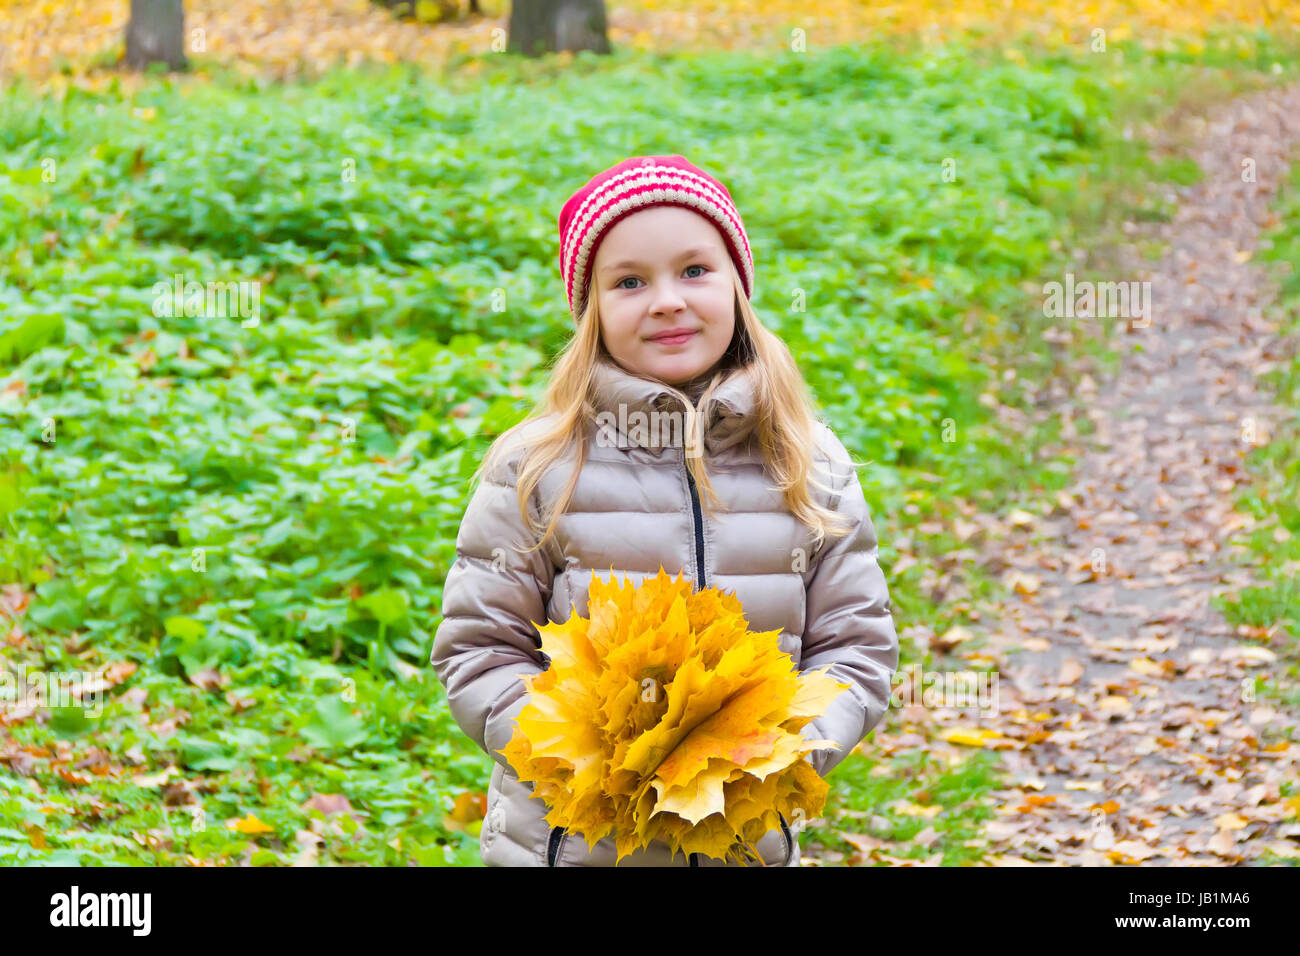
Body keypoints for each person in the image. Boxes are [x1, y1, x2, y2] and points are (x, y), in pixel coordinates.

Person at [431, 154, 899, 867]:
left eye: (694, 271)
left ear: (739, 287)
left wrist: (778, 751)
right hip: (572, 844)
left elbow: (856, 648)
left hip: (741, 840)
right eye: (628, 282)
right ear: (590, 312)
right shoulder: (537, 469)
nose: (667, 301)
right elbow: (478, 648)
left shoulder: (810, 464)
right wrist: (577, 752)